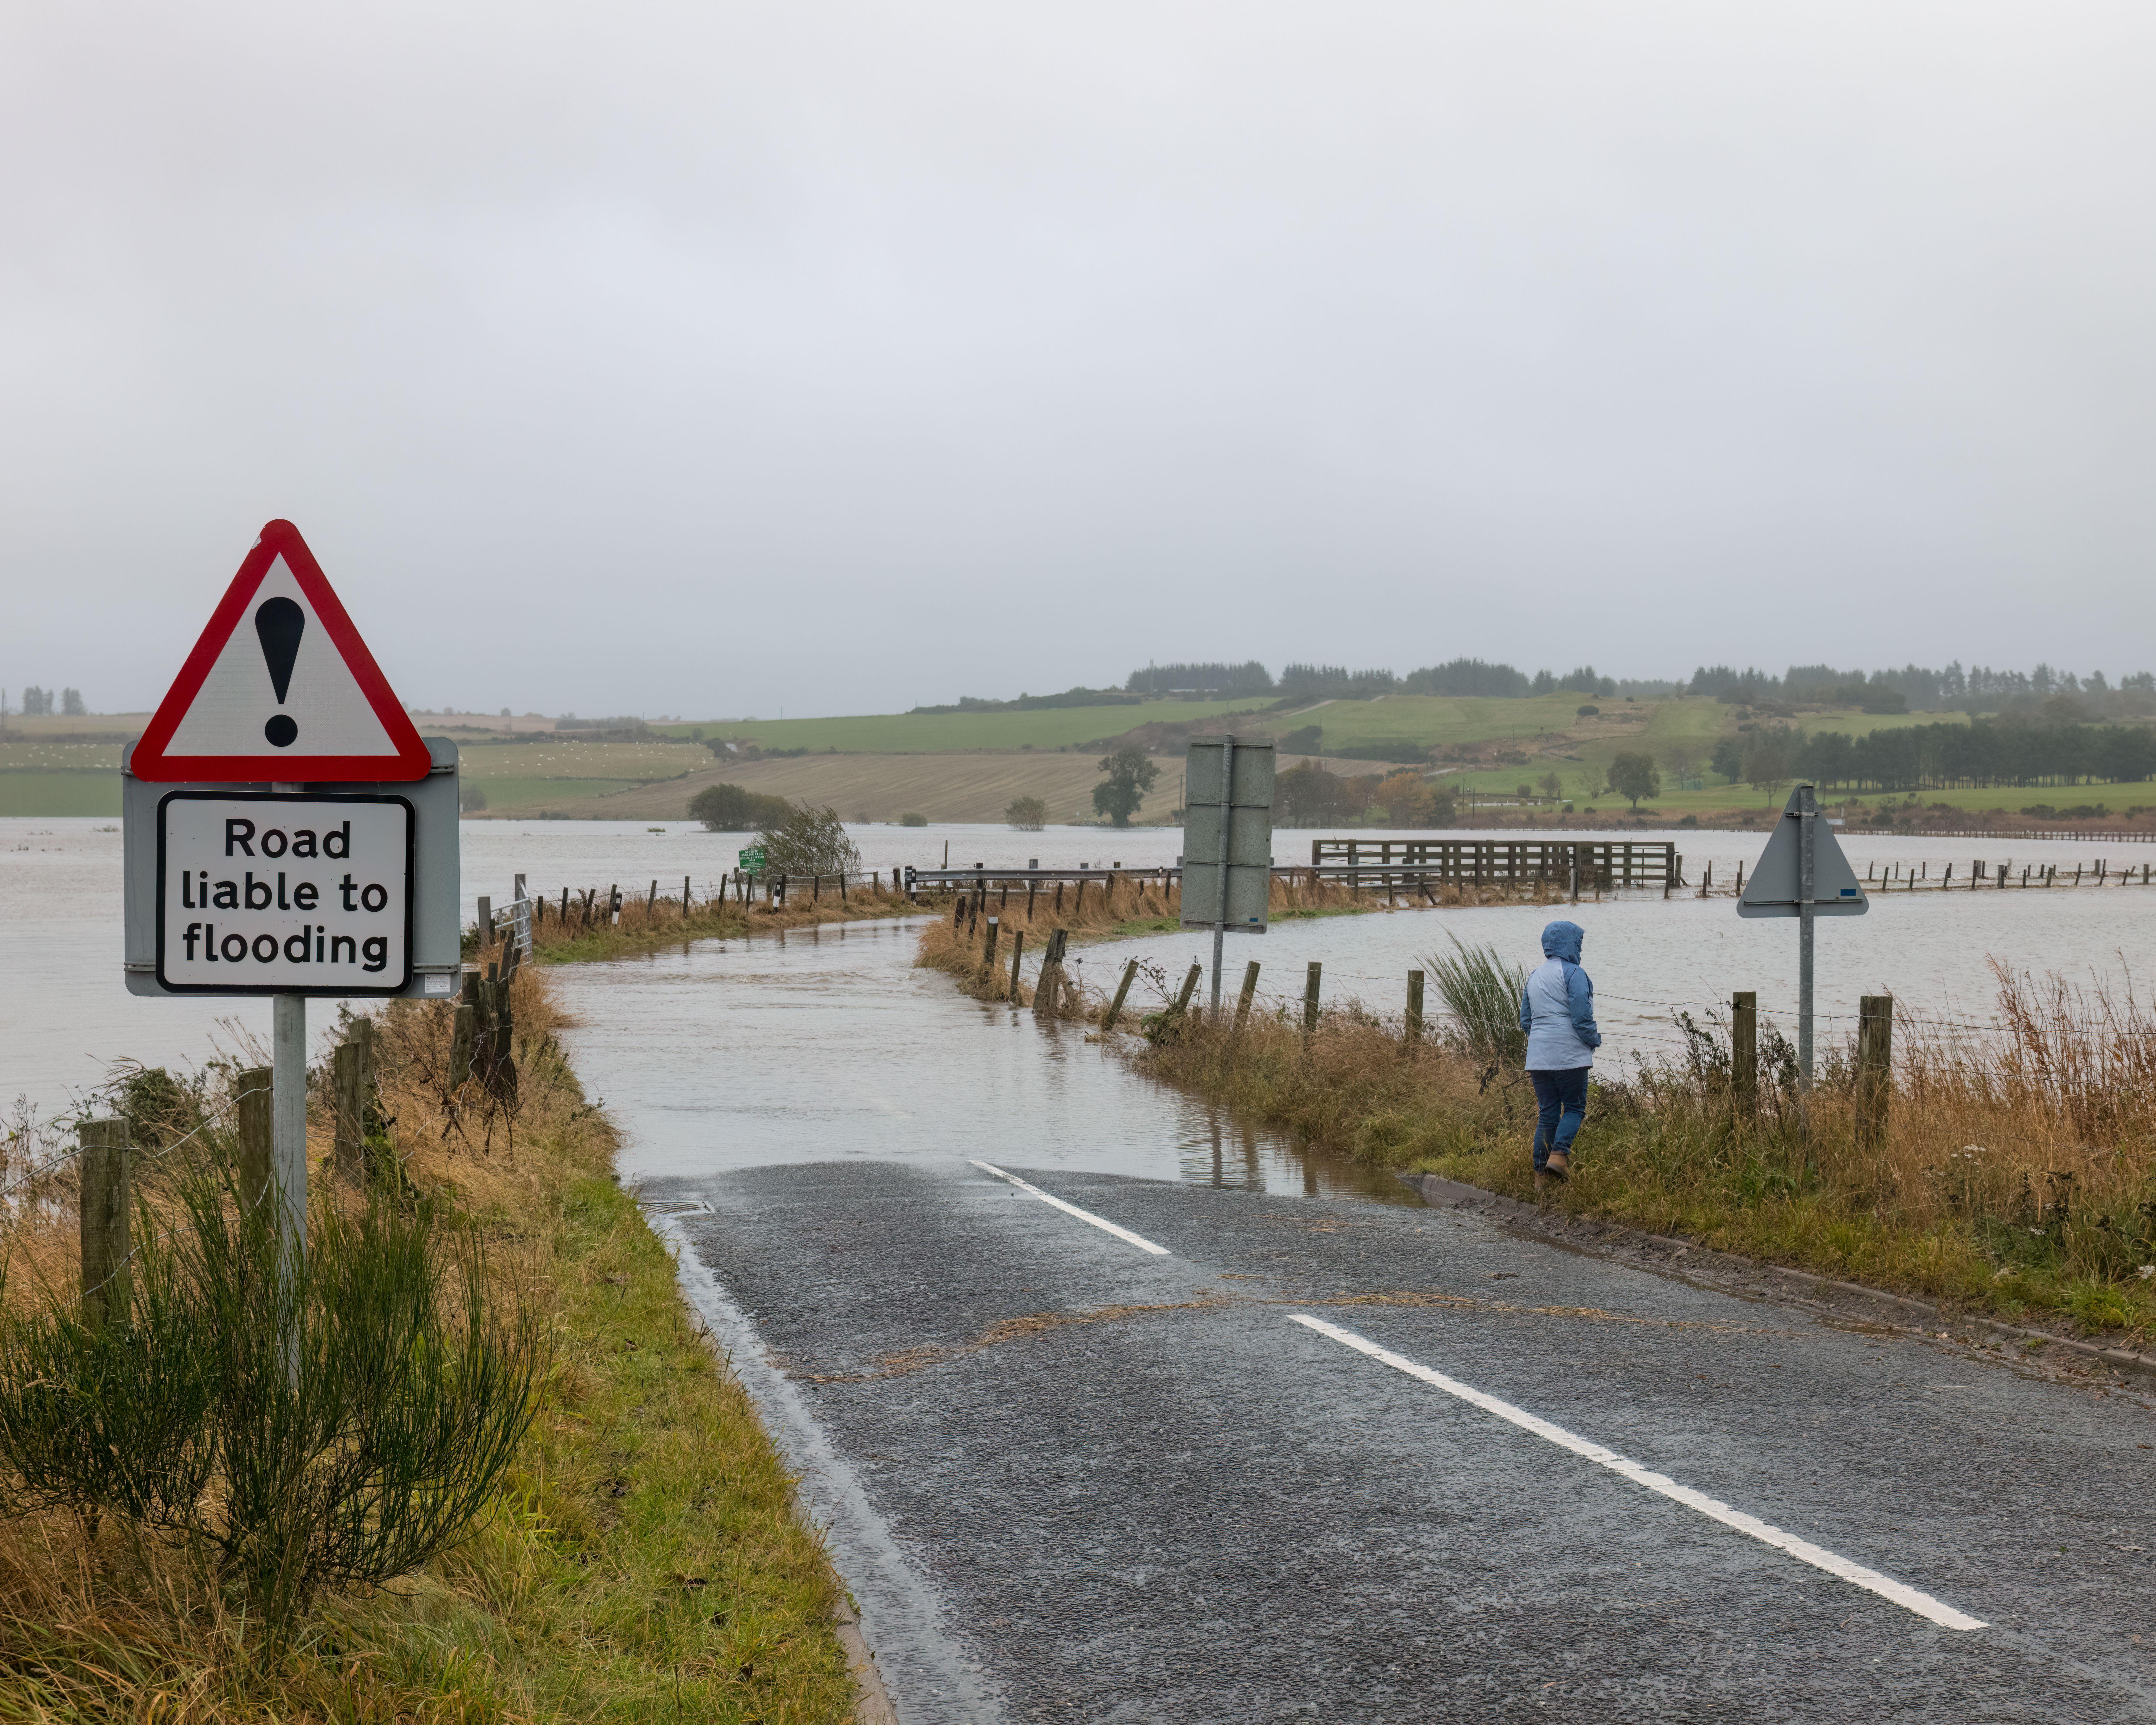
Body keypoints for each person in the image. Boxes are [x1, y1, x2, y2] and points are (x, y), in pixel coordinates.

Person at [1518, 919, 1601, 1188]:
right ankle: (1560, 1156)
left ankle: (1540, 1178)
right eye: (1579, 943)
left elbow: (1526, 1020)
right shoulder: (1575, 973)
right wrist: (1594, 1041)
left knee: (1548, 1114)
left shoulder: (1534, 976)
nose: (1580, 948)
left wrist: (1542, 1041)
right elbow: (1582, 1018)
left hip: (1538, 1057)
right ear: (1570, 944)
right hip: (1569, 1056)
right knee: (1575, 1108)